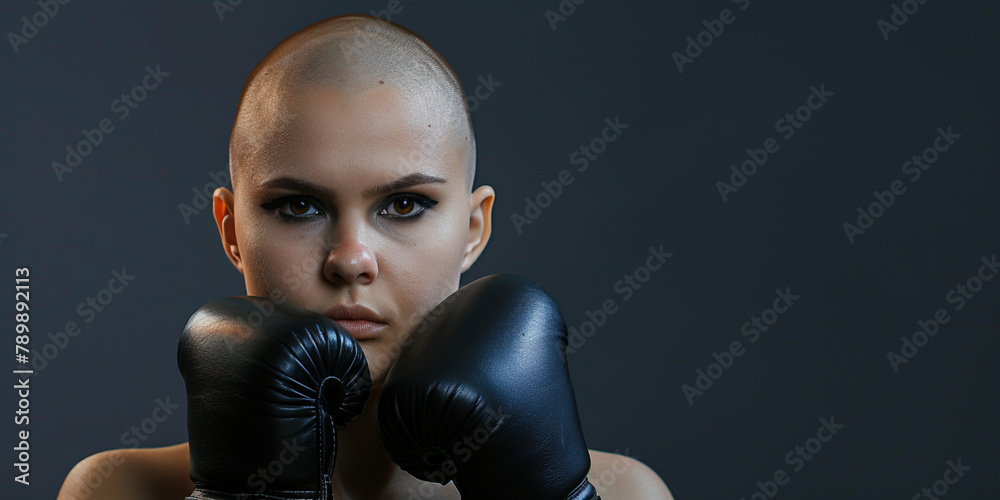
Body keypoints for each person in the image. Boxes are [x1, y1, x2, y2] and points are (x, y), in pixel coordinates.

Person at [58, 14, 673, 499]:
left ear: (473, 228)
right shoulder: (120, 492)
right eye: (298, 207)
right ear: (232, 232)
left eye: (404, 206)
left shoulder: (624, 495)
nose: (351, 260)